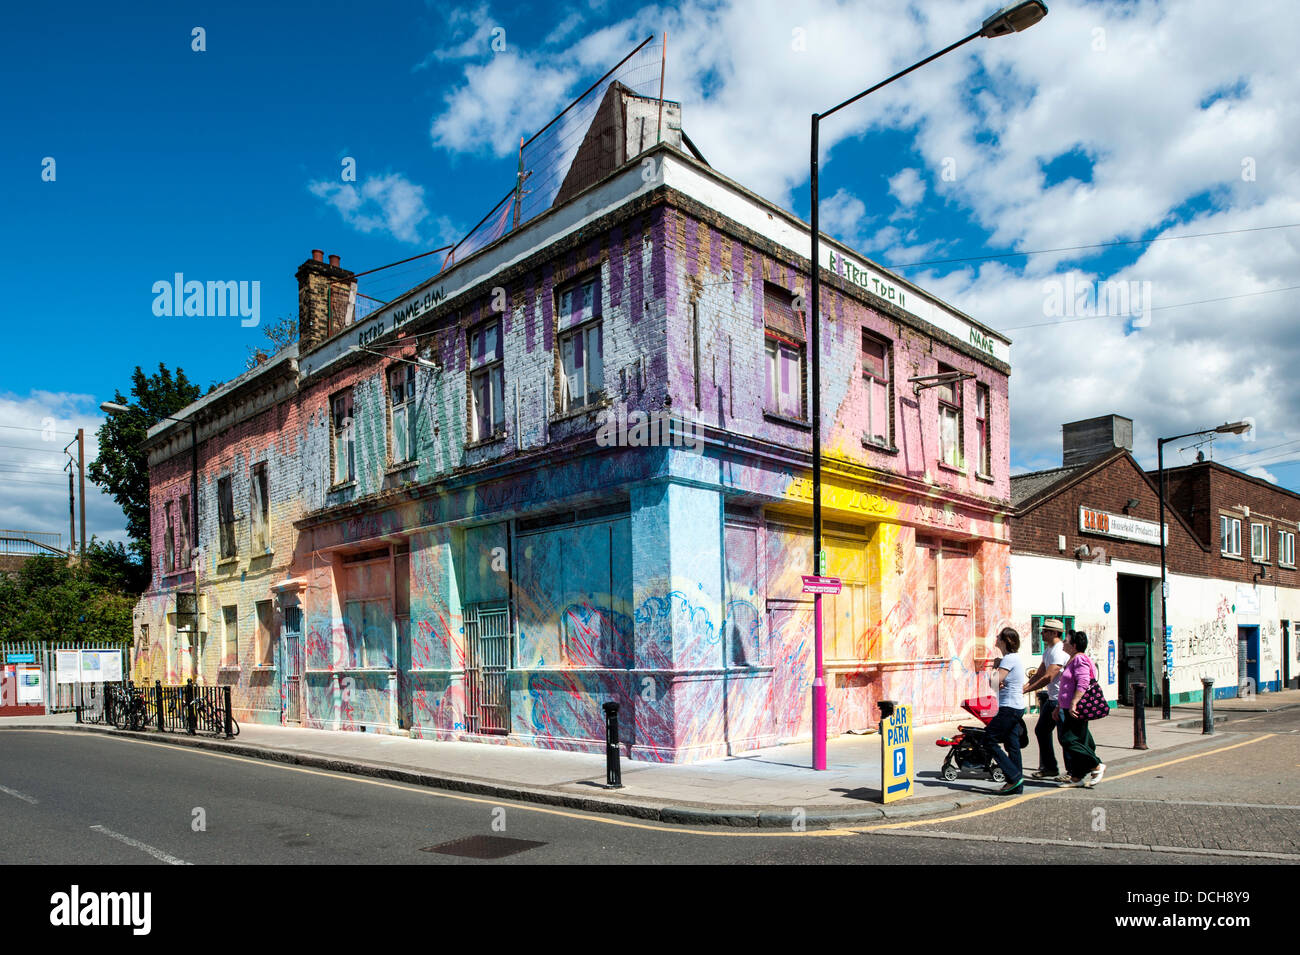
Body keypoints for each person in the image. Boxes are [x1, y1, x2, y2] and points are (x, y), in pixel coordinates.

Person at [1057, 630, 1106, 787]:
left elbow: (1083, 682)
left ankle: (1096, 765)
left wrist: (1074, 702)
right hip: (1066, 707)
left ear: (1074, 645)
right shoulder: (1073, 659)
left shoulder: (1080, 659)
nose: (1063, 643)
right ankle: (1077, 777)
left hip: (1075, 708)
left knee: (1069, 740)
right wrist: (1058, 706)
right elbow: (1066, 686)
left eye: (1066, 641)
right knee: (1083, 741)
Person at [1022, 618, 1069, 781]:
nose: (1041, 633)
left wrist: (1028, 689)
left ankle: (1072, 771)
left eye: (1045, 631)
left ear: (1054, 633)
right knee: (1041, 730)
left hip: (1061, 701)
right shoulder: (1048, 650)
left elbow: (1049, 677)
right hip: (1051, 699)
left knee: (1065, 737)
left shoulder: (1059, 651)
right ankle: (1049, 768)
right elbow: (1040, 673)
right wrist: (1025, 685)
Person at [984, 627, 1026, 794]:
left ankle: (1014, 776)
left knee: (988, 740)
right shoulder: (1014, 659)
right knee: (1012, 744)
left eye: (998, 636)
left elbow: (994, 683)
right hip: (1016, 706)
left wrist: (995, 668)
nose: (996, 638)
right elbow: (999, 684)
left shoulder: (1008, 659)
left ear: (1005, 641)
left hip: (1009, 708)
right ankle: (1016, 785)